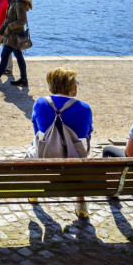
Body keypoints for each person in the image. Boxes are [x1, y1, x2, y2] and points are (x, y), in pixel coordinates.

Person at [29, 67, 93, 218]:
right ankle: (81, 202)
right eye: (75, 83)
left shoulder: (40, 103)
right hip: (75, 158)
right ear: (70, 86)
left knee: (33, 143)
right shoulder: (84, 107)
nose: (77, 85)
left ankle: (34, 192)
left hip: (46, 155)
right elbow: (88, 133)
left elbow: (36, 131)